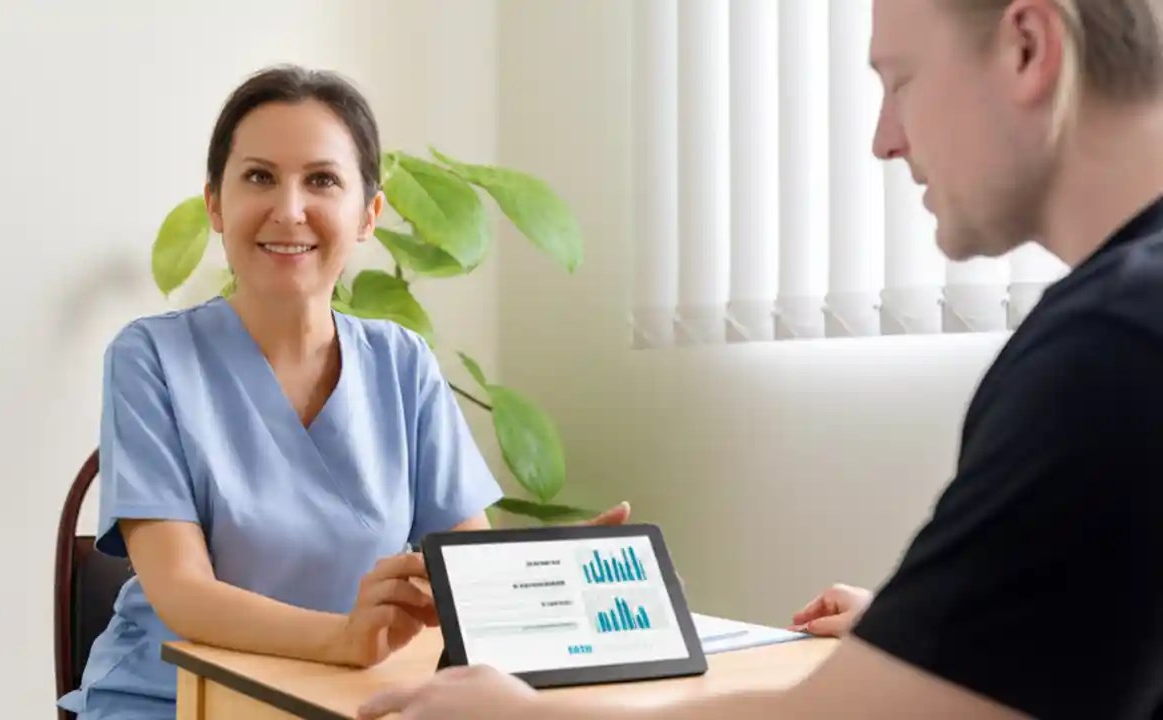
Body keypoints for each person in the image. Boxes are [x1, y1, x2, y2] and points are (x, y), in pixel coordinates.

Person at [357, 0, 1163, 718]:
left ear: (1027, 48)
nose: (885, 139)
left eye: (901, 80)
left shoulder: (1110, 351)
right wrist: (930, 620)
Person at [56, 65, 629, 720]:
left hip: (352, 698)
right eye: (259, 177)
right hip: (174, 699)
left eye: (322, 180)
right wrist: (344, 639)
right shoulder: (150, 357)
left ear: (368, 214)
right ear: (215, 203)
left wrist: (546, 578)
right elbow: (182, 592)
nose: (290, 209)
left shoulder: (402, 362)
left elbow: (465, 570)